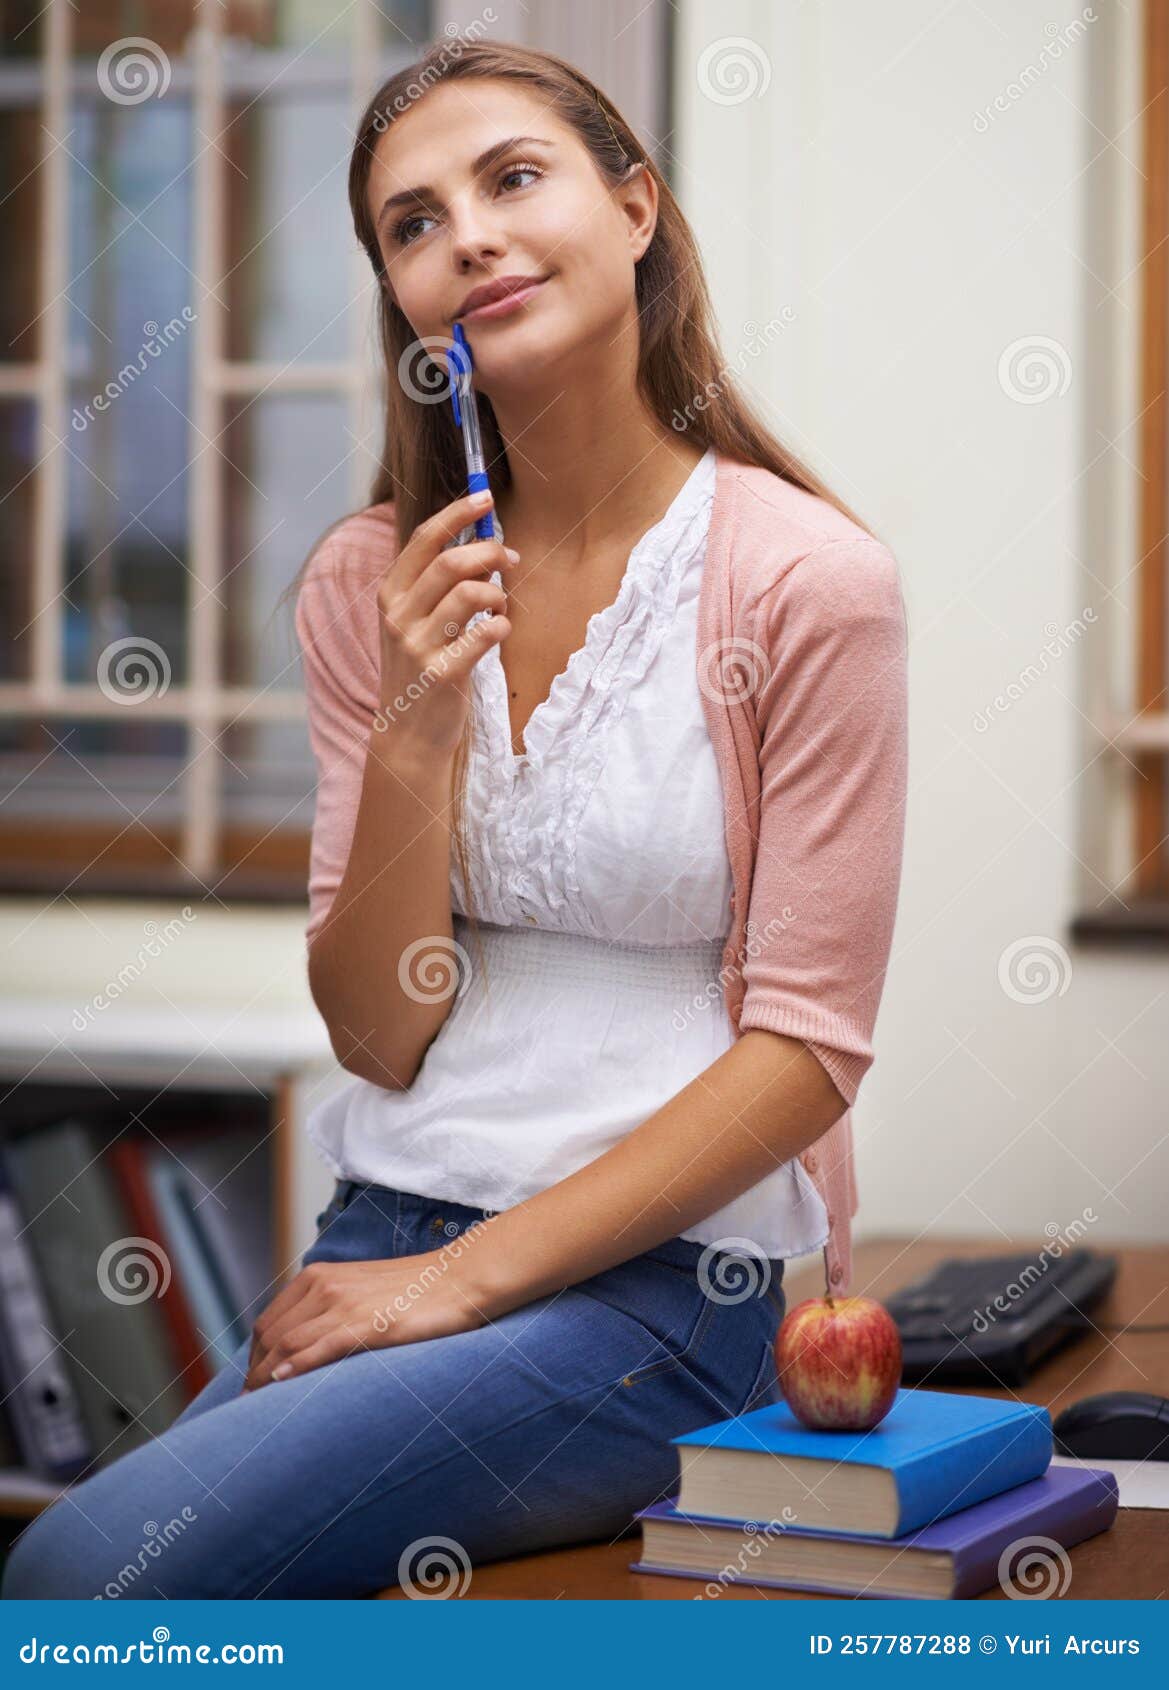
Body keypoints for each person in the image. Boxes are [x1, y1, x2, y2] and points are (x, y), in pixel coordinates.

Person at [1, 38, 908, 1601]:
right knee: (91, 1575)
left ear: (635, 210)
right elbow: (374, 1031)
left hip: (674, 1296)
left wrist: (454, 1283)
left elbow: (805, 1051)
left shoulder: (805, 582)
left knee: (83, 1577)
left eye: (510, 179)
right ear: (405, 307)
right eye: (412, 224)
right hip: (388, 1224)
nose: (465, 236)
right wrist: (421, 732)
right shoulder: (372, 581)